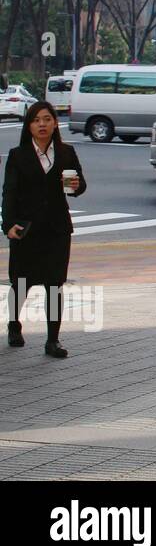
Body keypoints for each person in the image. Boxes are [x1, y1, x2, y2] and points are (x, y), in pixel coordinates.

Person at [2, 101, 87, 358]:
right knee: (21, 282)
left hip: (57, 229)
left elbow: (80, 187)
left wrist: (73, 185)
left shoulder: (66, 153)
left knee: (54, 285)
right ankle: (14, 324)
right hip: (26, 230)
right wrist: (8, 225)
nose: (42, 124)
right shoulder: (18, 155)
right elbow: (9, 193)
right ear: (29, 125)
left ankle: (52, 341)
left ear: (54, 123)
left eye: (47, 119)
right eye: (37, 120)